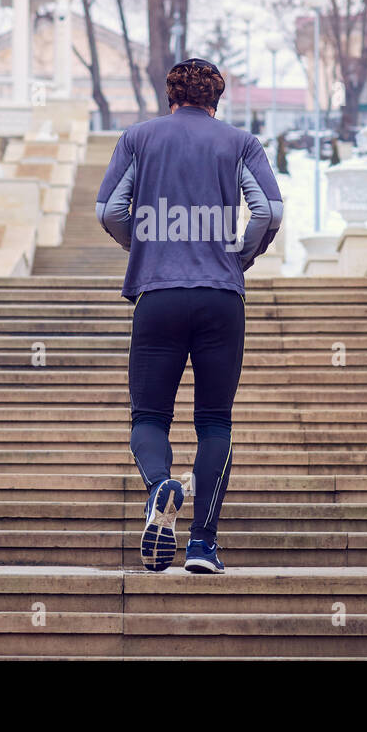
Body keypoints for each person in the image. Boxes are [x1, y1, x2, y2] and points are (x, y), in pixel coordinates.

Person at [96, 58, 283, 573]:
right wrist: (241, 255)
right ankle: (202, 546)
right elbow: (268, 211)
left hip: (158, 295)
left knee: (150, 417)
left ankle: (162, 488)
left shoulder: (138, 138)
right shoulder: (240, 142)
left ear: (170, 96)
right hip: (221, 297)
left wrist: (146, 247)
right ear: (216, 100)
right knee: (215, 422)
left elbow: (110, 210)